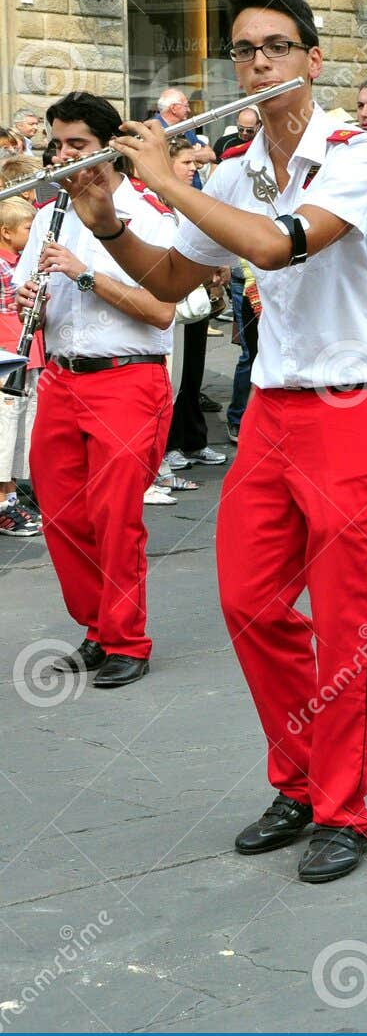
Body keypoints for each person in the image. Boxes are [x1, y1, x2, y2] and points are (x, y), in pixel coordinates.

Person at [68, 0, 367, 882]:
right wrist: (109, 222)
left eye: (275, 47)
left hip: (354, 405)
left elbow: (276, 247)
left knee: (344, 625)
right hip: (274, 408)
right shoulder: (232, 170)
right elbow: (176, 279)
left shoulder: (359, 155)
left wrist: (168, 180)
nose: (256, 64)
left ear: (312, 59)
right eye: (243, 51)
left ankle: (343, 805)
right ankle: (298, 778)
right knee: (250, 605)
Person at [15, 92, 178, 689]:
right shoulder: (52, 212)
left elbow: (164, 311)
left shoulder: (150, 212)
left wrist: (87, 274)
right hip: (61, 376)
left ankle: (127, 640)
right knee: (61, 516)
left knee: (114, 518)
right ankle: (97, 627)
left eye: (76, 145)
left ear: (110, 147)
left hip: (126, 378)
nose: (62, 156)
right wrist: (29, 296)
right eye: (56, 144)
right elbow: (37, 286)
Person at [160, 138, 230, 486]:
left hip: (197, 296)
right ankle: (170, 444)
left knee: (193, 373)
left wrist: (216, 265)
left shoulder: (191, 199)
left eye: (195, 163)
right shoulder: (157, 200)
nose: (193, 168)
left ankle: (193, 439)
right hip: (171, 298)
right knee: (173, 375)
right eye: (186, 162)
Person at [0, 195, 41, 536]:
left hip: (28, 357)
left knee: (18, 435)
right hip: (7, 358)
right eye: (30, 228)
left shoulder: (20, 262)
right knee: (4, 432)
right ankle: (3, 503)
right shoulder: (3, 266)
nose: (36, 233)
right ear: (6, 232)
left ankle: (11, 495)